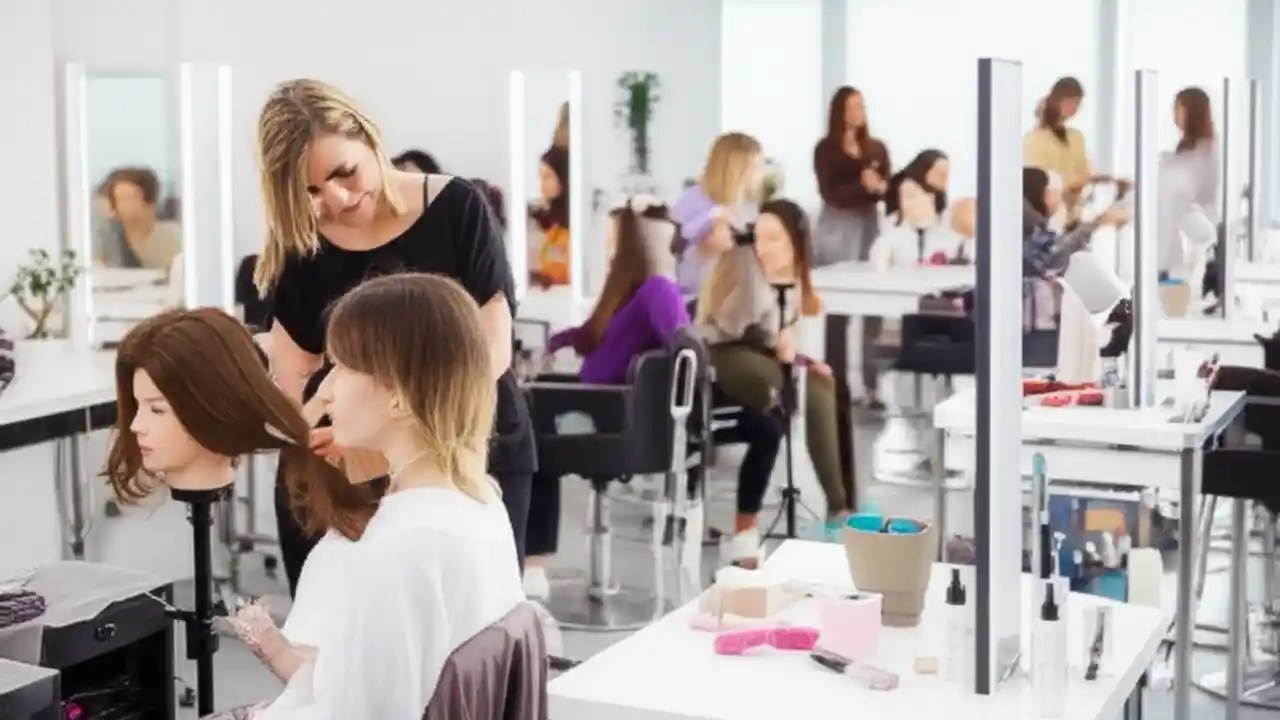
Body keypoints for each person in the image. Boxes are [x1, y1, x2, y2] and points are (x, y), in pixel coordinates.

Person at [253, 79, 536, 593]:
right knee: (332, 636)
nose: (335, 200)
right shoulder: (302, 240)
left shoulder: (456, 209)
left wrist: (399, 435)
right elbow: (291, 371)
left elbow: (490, 347)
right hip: (343, 460)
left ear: (371, 140)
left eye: (345, 172)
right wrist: (300, 433)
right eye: (310, 191)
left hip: (463, 450)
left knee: (470, 632)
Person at [228, 274, 526, 720]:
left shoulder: (392, 550)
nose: (327, 389)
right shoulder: (481, 502)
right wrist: (275, 648)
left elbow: (360, 712)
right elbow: (387, 679)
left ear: (399, 399)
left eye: (343, 368)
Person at [522, 196, 689, 598]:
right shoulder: (630, 295)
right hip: (598, 406)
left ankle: (534, 567)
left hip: (613, 417)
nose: (608, 248)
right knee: (523, 425)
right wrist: (556, 342)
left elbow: (684, 344)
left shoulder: (658, 291)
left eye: (613, 239)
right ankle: (532, 566)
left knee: (529, 446)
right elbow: (594, 338)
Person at [696, 200, 850, 565]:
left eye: (774, 239)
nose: (762, 246)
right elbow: (724, 328)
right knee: (775, 385)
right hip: (725, 351)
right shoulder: (745, 266)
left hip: (770, 359)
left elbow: (791, 344)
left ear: (796, 242)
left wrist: (804, 359)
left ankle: (838, 507)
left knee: (821, 386)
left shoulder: (801, 286)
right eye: (759, 236)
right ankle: (754, 527)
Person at [813, 86, 891, 410]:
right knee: (839, 307)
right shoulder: (826, 150)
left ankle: (872, 385)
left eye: (861, 105)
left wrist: (880, 187)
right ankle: (837, 383)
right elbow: (831, 193)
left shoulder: (876, 148)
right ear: (839, 111)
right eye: (852, 106)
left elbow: (888, 188)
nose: (859, 111)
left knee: (872, 305)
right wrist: (862, 184)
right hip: (837, 225)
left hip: (868, 224)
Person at [670, 132, 764, 295]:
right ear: (737, 170)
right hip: (693, 294)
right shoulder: (693, 198)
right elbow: (677, 236)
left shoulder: (749, 206)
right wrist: (713, 217)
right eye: (755, 168)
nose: (760, 174)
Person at [1158, 87, 1219, 284]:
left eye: (1177, 108)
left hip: (1199, 230)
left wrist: (1163, 166)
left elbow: (1181, 184)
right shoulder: (1188, 147)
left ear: (1190, 111)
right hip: (1183, 230)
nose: (1174, 114)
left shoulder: (1207, 150)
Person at [1023, 77, 1091, 220]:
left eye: (1077, 104)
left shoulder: (1076, 137)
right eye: (1072, 103)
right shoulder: (1035, 139)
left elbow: (1085, 174)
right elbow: (1037, 186)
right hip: (1048, 216)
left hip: (1074, 215)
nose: (1074, 109)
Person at [95, 166, 183, 270]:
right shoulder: (102, 242)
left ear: (150, 203)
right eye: (113, 199)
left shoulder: (175, 242)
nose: (116, 205)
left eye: (125, 198)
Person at [871, 173, 966, 267]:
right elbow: (877, 272)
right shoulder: (889, 239)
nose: (908, 203)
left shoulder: (954, 233)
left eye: (914, 195)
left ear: (932, 197)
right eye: (903, 198)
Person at [530, 146, 570, 287]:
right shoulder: (550, 222)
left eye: (547, 177)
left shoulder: (575, 224)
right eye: (540, 177)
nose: (541, 185)